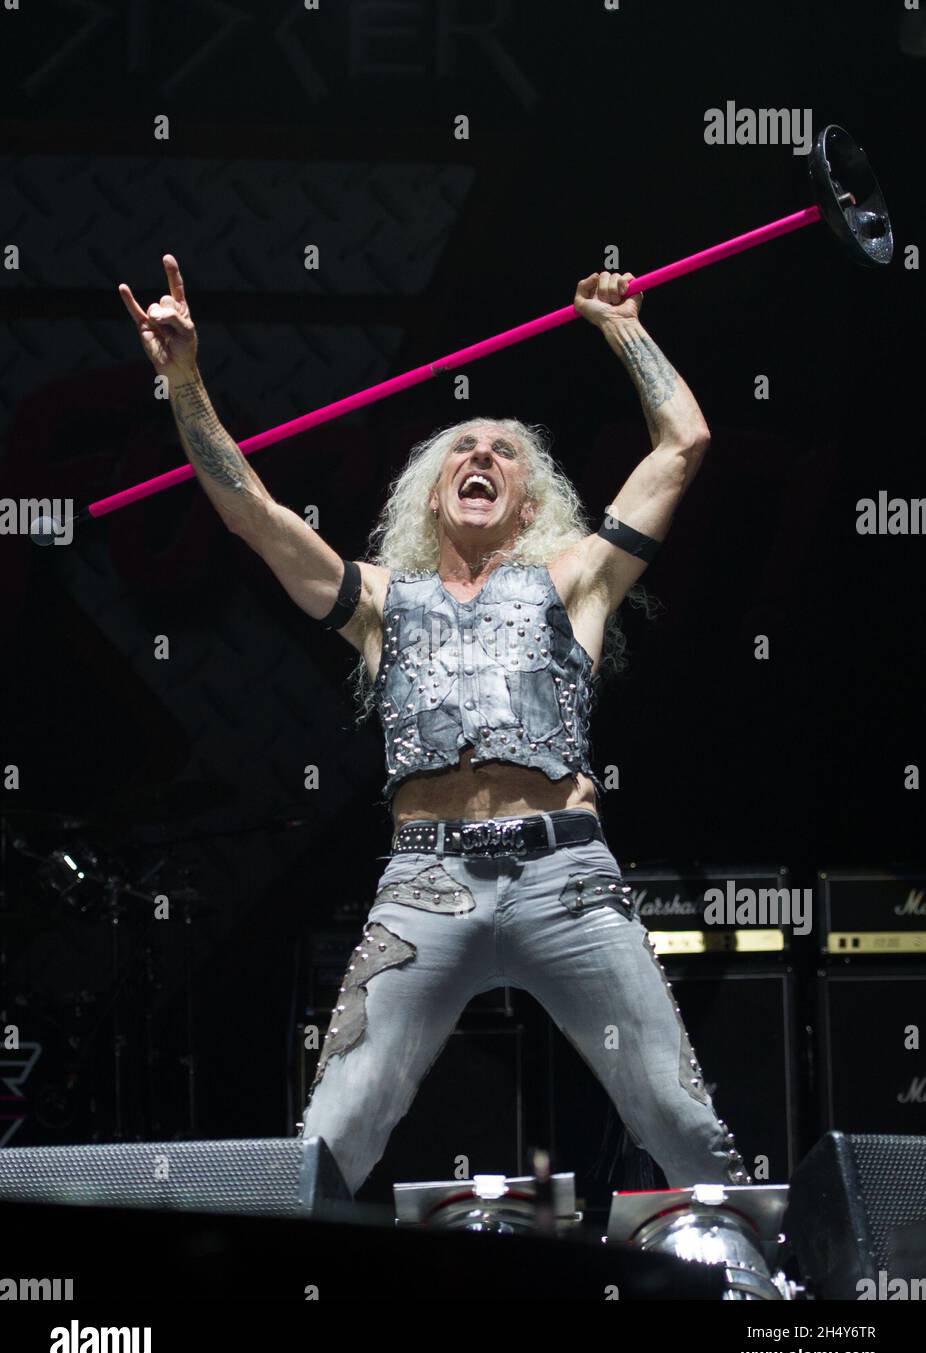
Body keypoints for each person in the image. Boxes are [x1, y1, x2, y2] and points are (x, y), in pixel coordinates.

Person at [119, 254, 752, 1197]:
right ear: (430, 492)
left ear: (529, 501)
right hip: (427, 886)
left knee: (676, 1112)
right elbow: (253, 516)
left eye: (504, 452)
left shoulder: (574, 577)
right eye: (463, 449)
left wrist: (620, 327)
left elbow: (682, 444)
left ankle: (761, 1303)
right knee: (334, 1127)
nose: (483, 458)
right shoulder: (380, 600)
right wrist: (185, 382)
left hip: (565, 875)